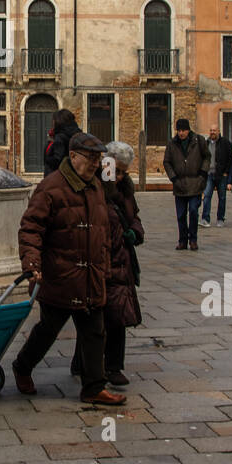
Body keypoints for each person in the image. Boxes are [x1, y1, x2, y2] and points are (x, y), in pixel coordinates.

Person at [14, 132, 125, 408]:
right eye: (90, 159)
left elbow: (103, 229)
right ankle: (22, 366)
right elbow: (31, 228)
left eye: (98, 159)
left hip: (92, 275)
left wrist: (105, 263)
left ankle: (94, 387)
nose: (95, 165)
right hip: (60, 276)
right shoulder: (50, 188)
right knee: (48, 330)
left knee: (94, 331)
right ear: (73, 156)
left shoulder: (96, 186)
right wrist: (32, 264)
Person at [71, 141, 144, 388]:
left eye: (124, 171)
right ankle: (86, 362)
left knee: (116, 316)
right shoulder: (93, 189)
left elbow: (134, 217)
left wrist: (134, 232)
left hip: (121, 261)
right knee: (97, 316)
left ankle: (112, 367)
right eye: (116, 170)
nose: (120, 175)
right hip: (100, 260)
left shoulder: (125, 190)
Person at [162, 117, 209, 251]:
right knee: (181, 214)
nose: (181, 133)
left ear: (188, 130)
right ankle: (182, 240)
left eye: (183, 130)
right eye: (179, 130)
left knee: (193, 211)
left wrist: (203, 173)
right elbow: (167, 162)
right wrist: (174, 178)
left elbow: (207, 157)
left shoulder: (198, 141)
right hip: (180, 184)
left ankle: (193, 239)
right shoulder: (172, 144)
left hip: (195, 182)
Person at [200, 125, 232, 227]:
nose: (212, 132)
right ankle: (205, 219)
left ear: (218, 131)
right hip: (209, 174)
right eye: (211, 130)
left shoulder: (225, 143)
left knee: (222, 197)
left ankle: (220, 219)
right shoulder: (206, 143)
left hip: (221, 174)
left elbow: (230, 158)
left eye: (214, 130)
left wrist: (226, 172)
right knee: (207, 196)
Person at [43, 108, 79, 176]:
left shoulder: (60, 137)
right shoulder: (77, 135)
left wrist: (47, 159)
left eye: (53, 120)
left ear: (58, 122)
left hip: (57, 176)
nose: (52, 123)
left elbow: (57, 160)